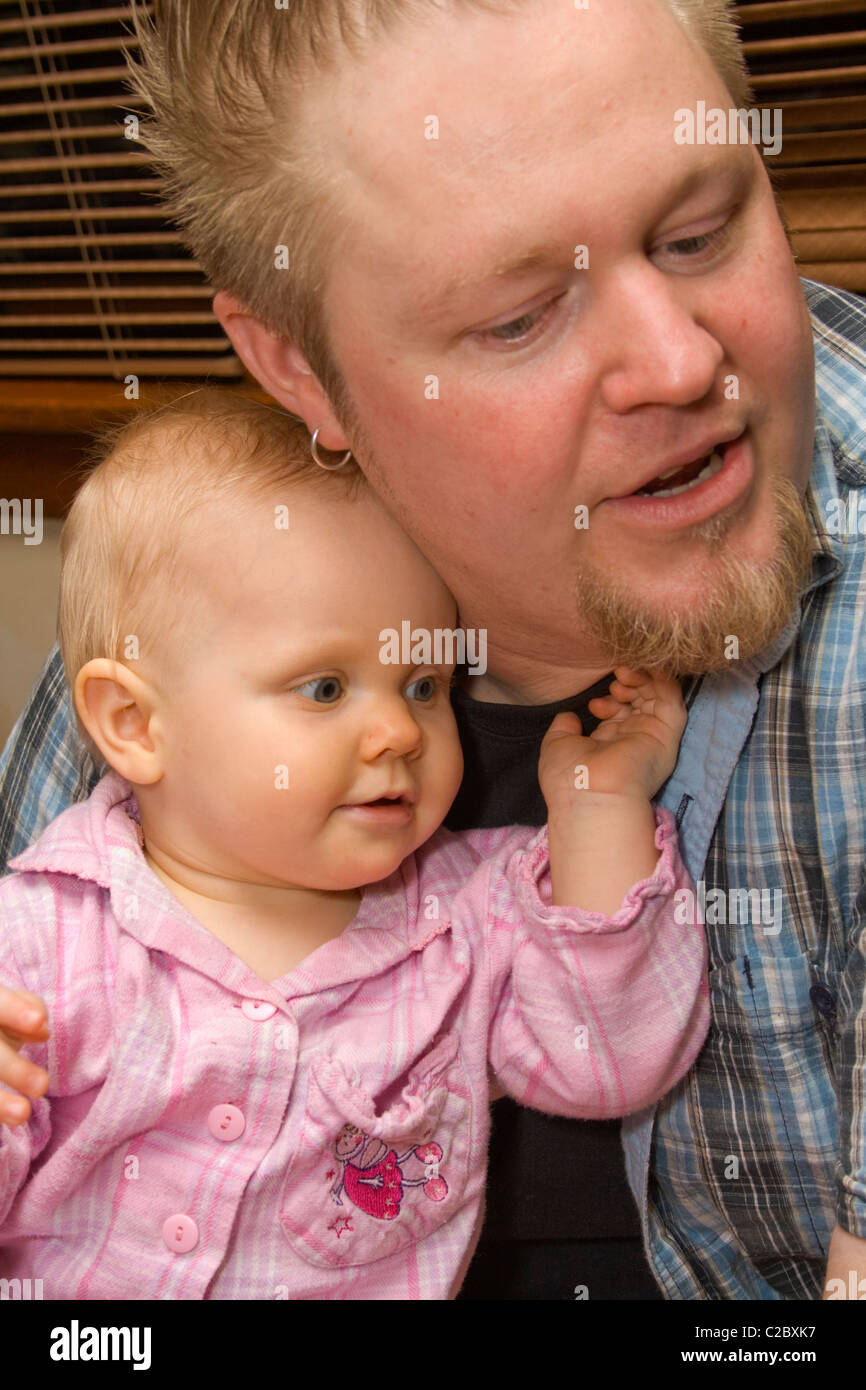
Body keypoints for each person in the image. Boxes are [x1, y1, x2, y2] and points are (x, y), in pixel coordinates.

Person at [1, 0, 864, 1300]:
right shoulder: (197, 613)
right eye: (520, 318)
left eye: (698, 231)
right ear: (297, 365)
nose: (680, 363)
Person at [0, 390, 707, 1300]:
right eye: (327, 689)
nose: (398, 734)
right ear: (134, 723)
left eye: (422, 685)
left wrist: (598, 808)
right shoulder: (42, 939)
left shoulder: (470, 920)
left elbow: (613, 1060)